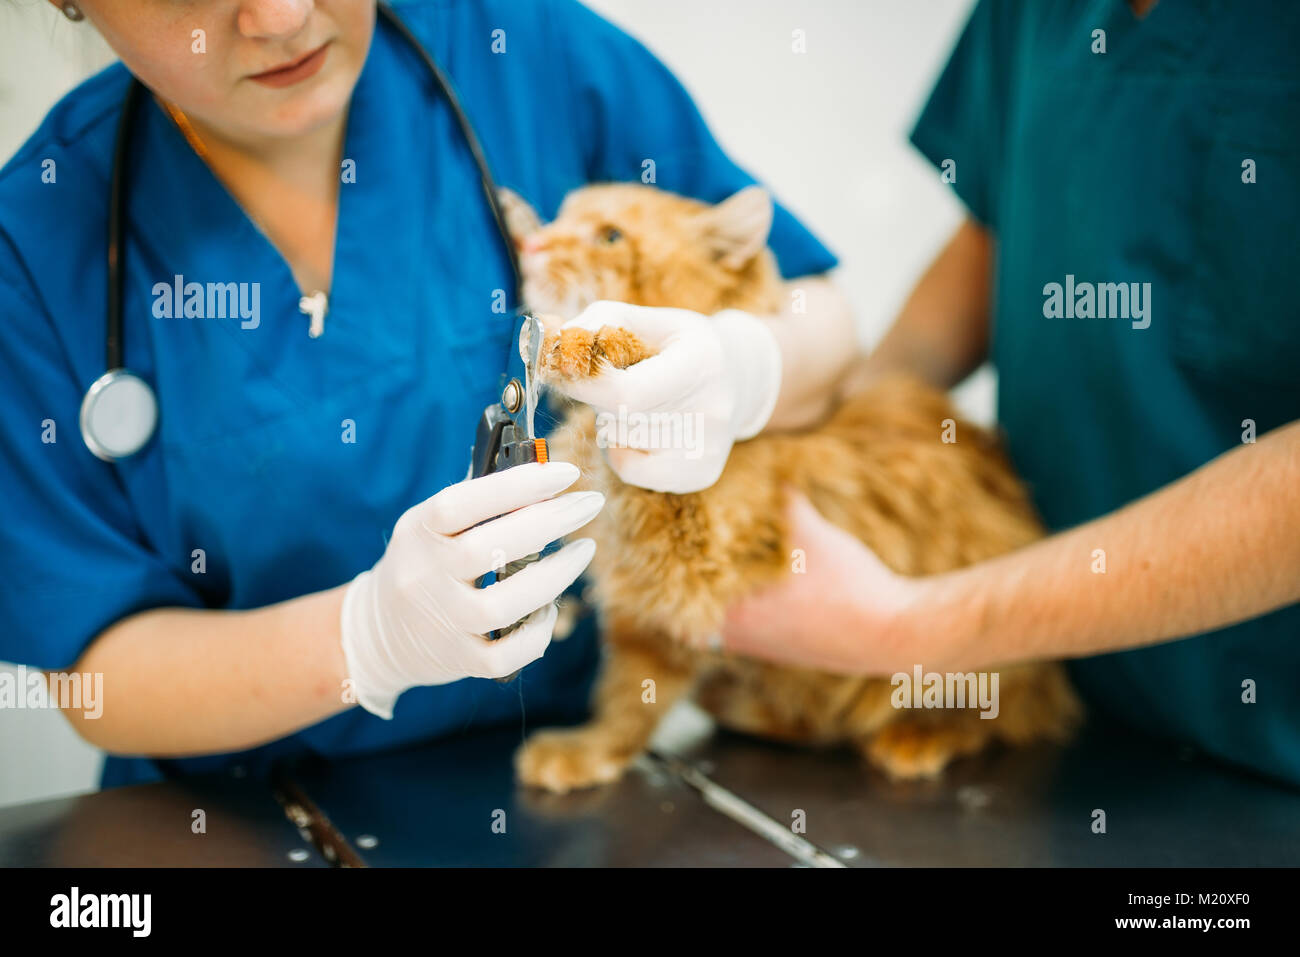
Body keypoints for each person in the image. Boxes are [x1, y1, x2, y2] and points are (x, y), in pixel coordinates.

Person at [0, 0, 853, 787]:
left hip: (567, 791)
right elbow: (96, 671)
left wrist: (748, 366)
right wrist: (364, 638)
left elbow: (822, 317)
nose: (282, 15)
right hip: (233, 820)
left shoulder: (517, 43)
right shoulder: (36, 240)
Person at [720, 0, 1300, 788]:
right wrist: (821, 445)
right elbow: (1005, 233)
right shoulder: (1029, 15)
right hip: (1074, 713)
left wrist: (907, 626)